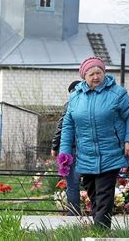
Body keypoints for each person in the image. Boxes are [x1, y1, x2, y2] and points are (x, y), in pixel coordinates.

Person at [59, 56, 129, 228]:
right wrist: (64, 152)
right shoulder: (75, 98)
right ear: (84, 76)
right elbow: (68, 125)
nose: (96, 77)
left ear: (104, 73)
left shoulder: (117, 93)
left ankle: (101, 230)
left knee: (104, 193)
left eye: (99, 72)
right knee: (93, 192)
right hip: (86, 154)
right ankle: (99, 227)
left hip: (110, 152)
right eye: (91, 74)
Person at [50, 80, 81, 216]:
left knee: (73, 183)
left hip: (73, 148)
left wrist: (54, 146)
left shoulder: (69, 105)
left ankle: (73, 214)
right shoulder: (93, 103)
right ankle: (97, 213)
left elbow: (61, 126)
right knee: (91, 182)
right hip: (86, 147)